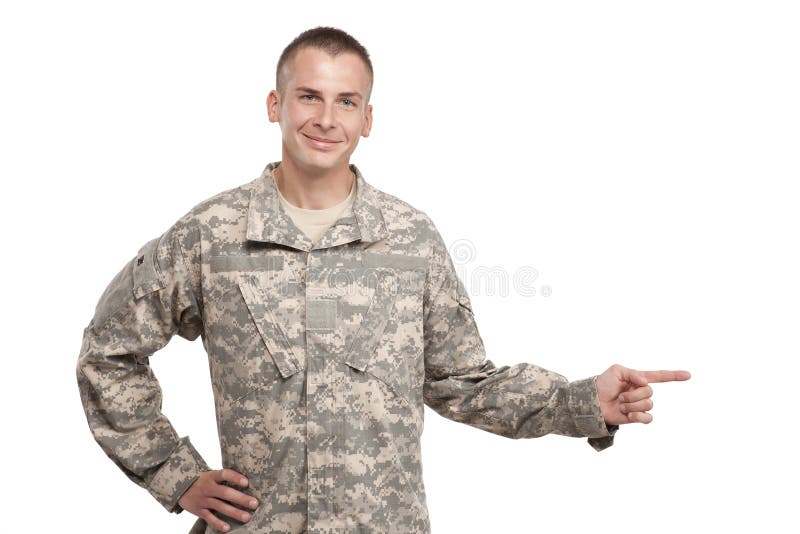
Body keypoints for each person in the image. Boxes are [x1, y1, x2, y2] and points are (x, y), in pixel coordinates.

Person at [76, 26, 691, 534]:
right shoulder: (210, 235)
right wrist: (177, 475)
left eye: (346, 101)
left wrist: (583, 402)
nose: (326, 117)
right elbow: (108, 353)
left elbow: (462, 383)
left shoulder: (409, 239)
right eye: (308, 96)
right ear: (275, 106)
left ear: (368, 118)